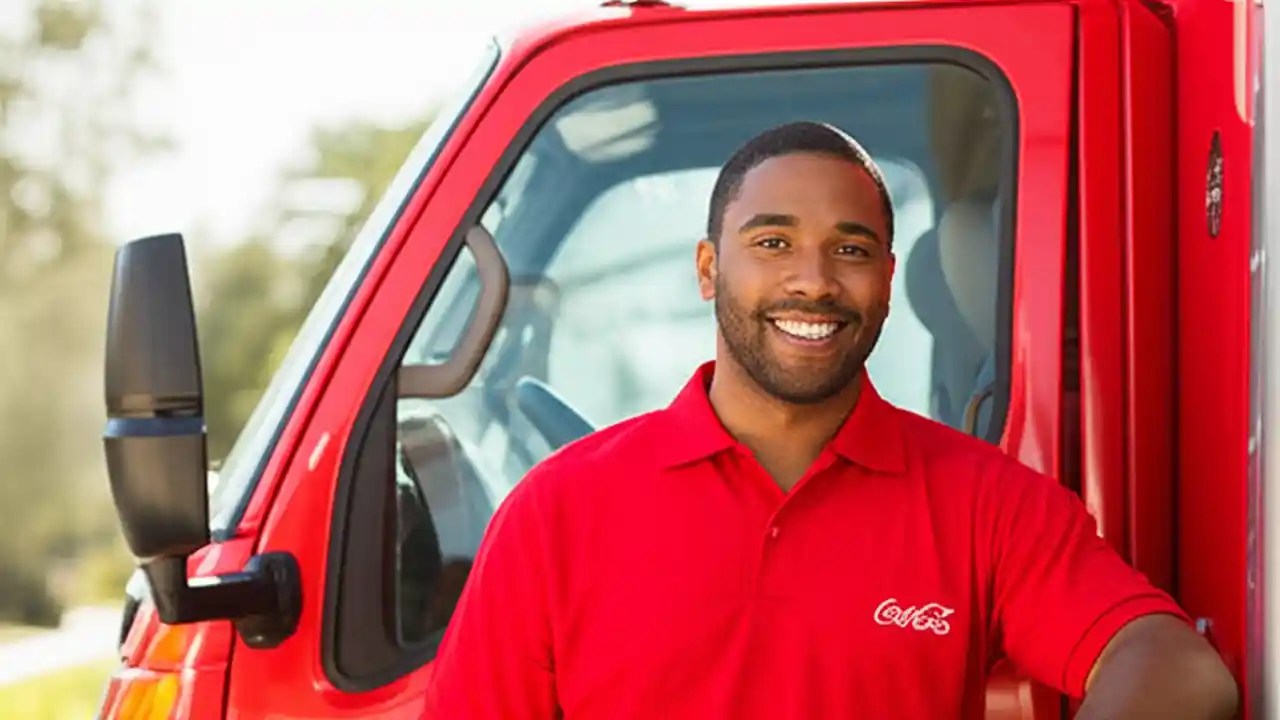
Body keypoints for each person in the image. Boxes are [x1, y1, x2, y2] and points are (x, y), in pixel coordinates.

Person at [425, 122, 1238, 718]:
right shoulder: (558, 511)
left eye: (849, 251)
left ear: (887, 279)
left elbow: (1178, 669)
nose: (813, 282)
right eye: (773, 242)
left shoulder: (981, 501)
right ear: (710, 270)